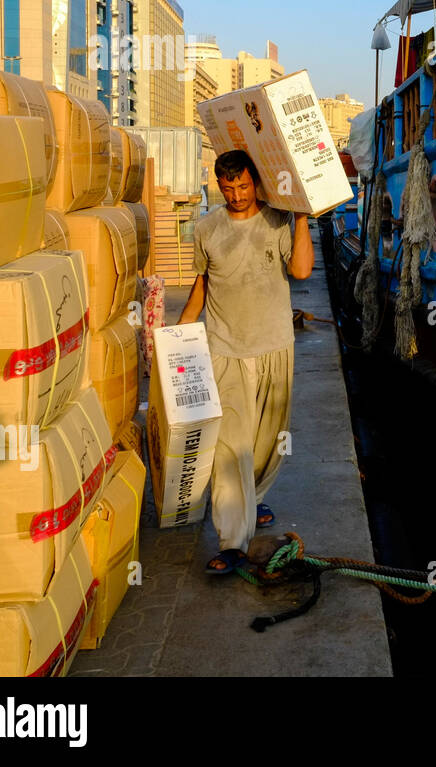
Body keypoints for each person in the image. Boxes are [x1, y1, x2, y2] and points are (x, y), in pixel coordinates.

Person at [177, 149, 314, 573]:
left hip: (274, 344)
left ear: (255, 183)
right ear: (218, 186)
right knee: (229, 444)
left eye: (243, 186)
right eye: (228, 187)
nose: (236, 195)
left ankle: (251, 495)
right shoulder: (207, 228)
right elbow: (202, 285)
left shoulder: (277, 219)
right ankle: (233, 541)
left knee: (268, 443)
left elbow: (303, 271)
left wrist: (303, 217)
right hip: (225, 348)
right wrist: (177, 334)